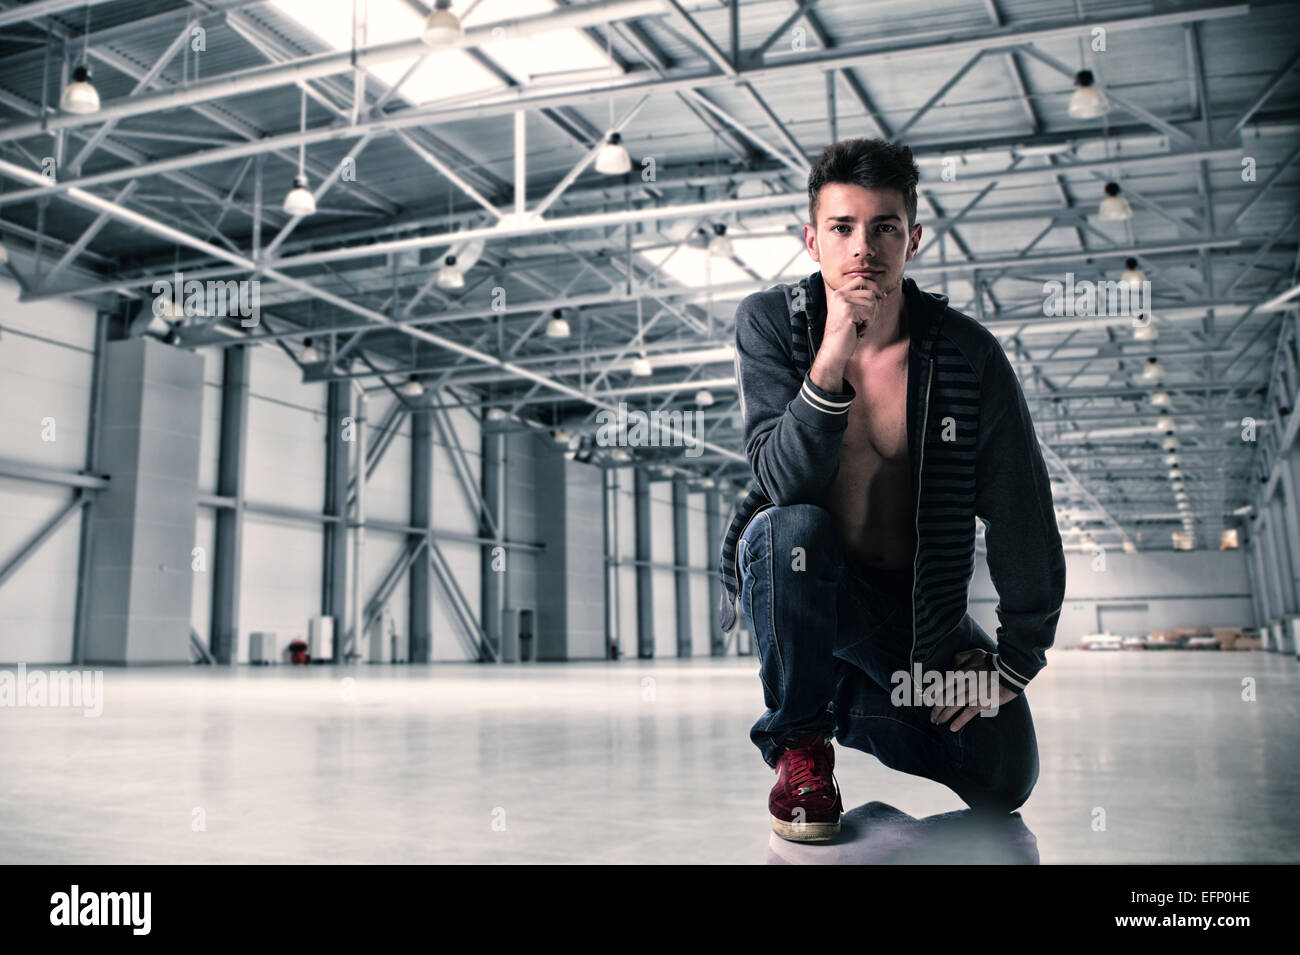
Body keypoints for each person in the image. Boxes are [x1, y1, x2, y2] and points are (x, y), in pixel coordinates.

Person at [717, 137, 1067, 842]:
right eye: (842, 227)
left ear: (914, 238)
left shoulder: (968, 355)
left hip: (914, 614)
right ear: (812, 240)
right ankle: (802, 742)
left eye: (883, 227)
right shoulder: (771, 323)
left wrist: (1015, 660)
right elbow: (782, 480)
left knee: (1005, 775)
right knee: (791, 530)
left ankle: (836, 696)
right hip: (803, 580)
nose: (862, 247)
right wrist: (833, 352)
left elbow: (1021, 509)